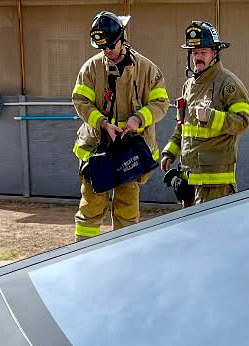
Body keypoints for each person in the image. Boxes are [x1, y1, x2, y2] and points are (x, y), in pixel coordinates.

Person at [72, 11, 169, 238]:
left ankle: (125, 262)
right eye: (101, 47)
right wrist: (103, 124)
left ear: (122, 39)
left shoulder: (147, 70)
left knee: (127, 213)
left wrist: (138, 119)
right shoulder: (91, 69)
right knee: (90, 210)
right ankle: (84, 258)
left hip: (130, 151)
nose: (107, 52)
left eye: (111, 46)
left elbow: (161, 103)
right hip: (98, 150)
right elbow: (80, 101)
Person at [159, 20, 249, 206]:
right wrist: (170, 153)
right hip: (189, 177)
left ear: (215, 53)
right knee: (191, 232)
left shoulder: (228, 84)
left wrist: (211, 117)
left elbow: (242, 122)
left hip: (214, 182)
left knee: (212, 232)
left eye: (203, 52)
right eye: (194, 52)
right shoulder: (189, 86)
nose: (198, 57)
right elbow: (183, 128)